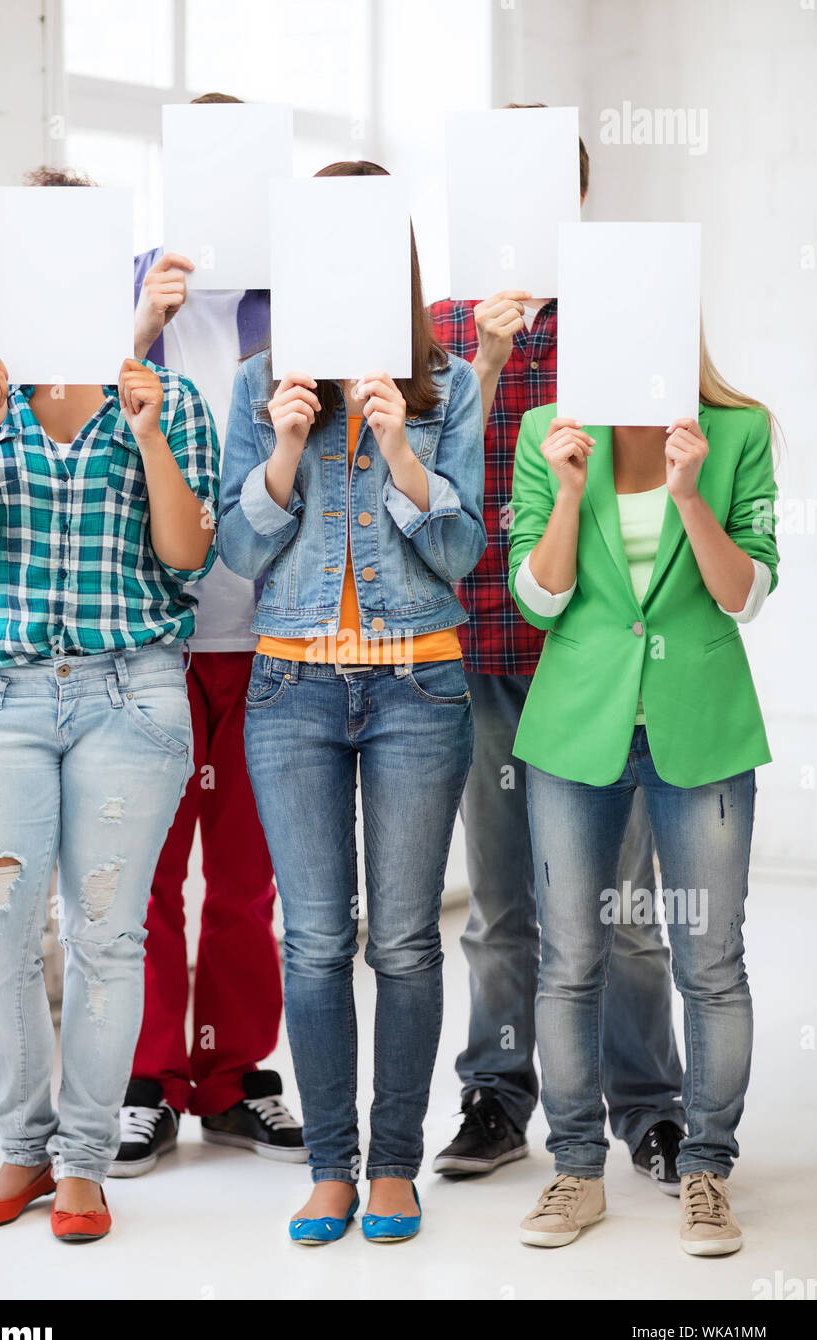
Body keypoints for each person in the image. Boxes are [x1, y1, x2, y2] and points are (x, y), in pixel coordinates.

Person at [0, 168, 219, 1242]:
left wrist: (144, 434)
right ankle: (19, 1147)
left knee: (105, 936)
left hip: (128, 696)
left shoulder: (167, 399)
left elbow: (188, 557)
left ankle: (82, 1158)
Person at [218, 159, 486, 1244]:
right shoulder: (254, 385)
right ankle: (330, 1165)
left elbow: (464, 552)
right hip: (289, 687)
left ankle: (392, 1165)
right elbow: (238, 553)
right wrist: (286, 447)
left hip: (418, 682)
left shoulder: (449, 385)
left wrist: (397, 451)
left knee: (406, 941)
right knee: (316, 939)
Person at [428, 104, 686, 1190]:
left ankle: (649, 1104)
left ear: (571, 202)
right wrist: (482, 356)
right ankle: (495, 1095)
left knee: (621, 910)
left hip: (593, 657)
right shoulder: (435, 328)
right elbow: (438, 490)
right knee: (501, 903)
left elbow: (659, 478)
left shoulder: (620, 316)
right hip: (483, 640)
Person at [510, 337, 778, 1254]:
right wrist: (573, 491)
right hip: (575, 730)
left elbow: (742, 596)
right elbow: (538, 601)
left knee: (708, 961)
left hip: (699, 729)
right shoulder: (551, 431)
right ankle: (575, 1171)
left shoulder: (735, 433)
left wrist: (689, 496)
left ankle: (706, 1169)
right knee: (570, 957)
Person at [111, 91, 306, 1177]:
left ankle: (230, 1078)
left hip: (267, 632)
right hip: (149, 637)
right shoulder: (129, 283)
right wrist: (133, 329)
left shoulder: (304, 299)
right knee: (142, 870)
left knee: (245, 881)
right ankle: (145, 1079)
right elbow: (72, 432)